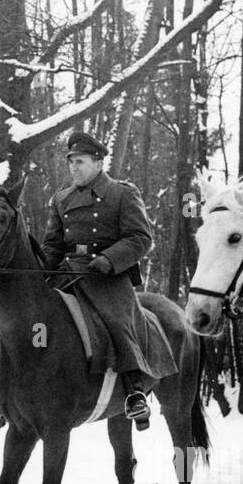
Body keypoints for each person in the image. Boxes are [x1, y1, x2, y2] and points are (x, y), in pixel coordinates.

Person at [39, 132, 176, 428]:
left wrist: (110, 260)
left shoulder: (122, 193)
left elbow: (140, 237)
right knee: (35, 316)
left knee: (116, 320)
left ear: (98, 162)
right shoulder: (61, 199)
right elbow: (52, 246)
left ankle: (135, 390)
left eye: (80, 162)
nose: (73, 168)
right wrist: (41, 274)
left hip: (107, 275)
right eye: (71, 162)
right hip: (67, 272)